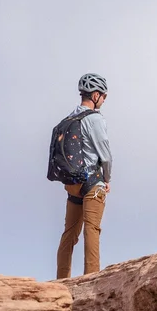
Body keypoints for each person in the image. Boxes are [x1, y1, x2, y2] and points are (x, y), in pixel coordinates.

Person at [56, 73, 112, 278]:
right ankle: (92, 278)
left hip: (72, 184)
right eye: (104, 96)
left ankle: (61, 280)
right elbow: (105, 155)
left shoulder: (69, 119)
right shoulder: (95, 119)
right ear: (96, 95)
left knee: (69, 234)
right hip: (92, 182)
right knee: (92, 229)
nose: (104, 100)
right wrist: (107, 179)